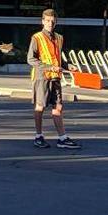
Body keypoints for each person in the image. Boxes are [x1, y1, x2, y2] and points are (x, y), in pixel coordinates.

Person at [28, 9, 77, 149]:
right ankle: (38, 136)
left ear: (56, 22)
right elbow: (31, 59)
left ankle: (62, 138)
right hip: (41, 77)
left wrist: (68, 65)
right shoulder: (36, 38)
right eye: (48, 20)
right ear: (42, 21)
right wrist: (49, 67)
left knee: (58, 107)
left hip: (55, 77)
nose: (50, 23)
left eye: (53, 21)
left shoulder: (59, 38)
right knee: (40, 107)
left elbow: (58, 58)